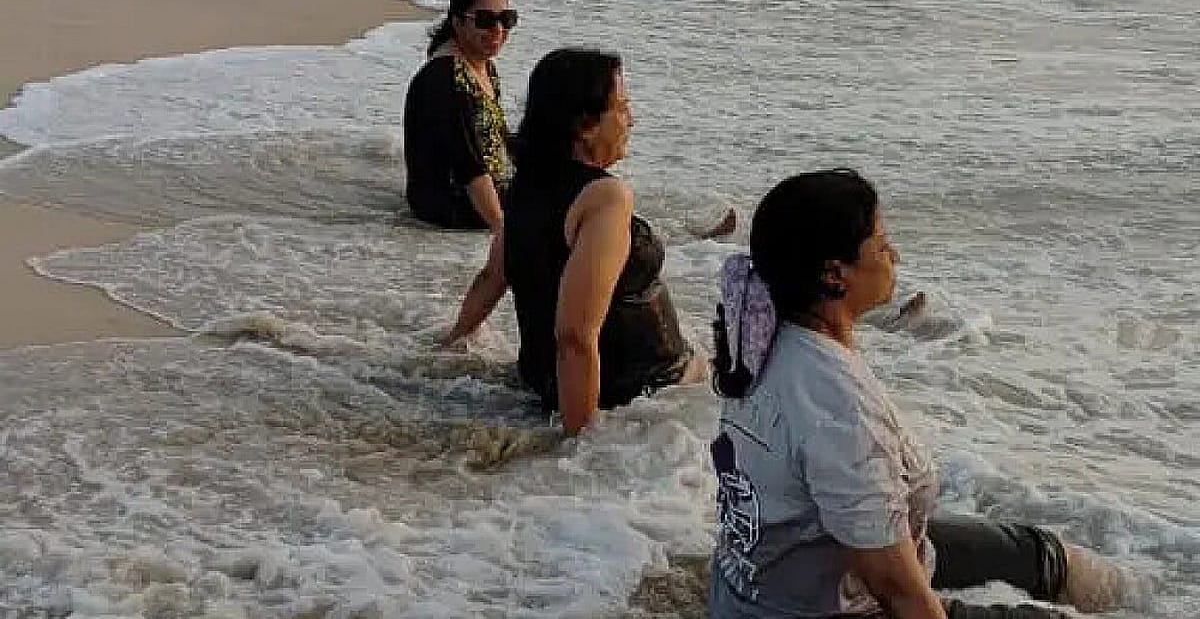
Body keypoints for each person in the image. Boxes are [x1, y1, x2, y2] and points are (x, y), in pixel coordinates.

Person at [708, 169, 1134, 618]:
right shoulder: (836, 405)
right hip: (819, 604)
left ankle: (1149, 592)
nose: (894, 254)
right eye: (881, 243)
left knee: (1040, 555)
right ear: (835, 274)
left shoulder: (758, 339)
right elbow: (896, 590)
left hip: (765, 577)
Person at [445, 48, 706, 434]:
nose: (631, 120)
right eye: (622, 108)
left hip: (544, 380)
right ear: (585, 125)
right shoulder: (605, 197)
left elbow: (492, 277)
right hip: (639, 390)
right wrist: (581, 447)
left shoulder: (524, 187)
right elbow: (575, 334)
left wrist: (452, 343)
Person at [403, 0, 518, 231]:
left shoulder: (483, 67)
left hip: (484, 192)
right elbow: (468, 164)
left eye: (506, 19)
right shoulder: (445, 79)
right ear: (458, 22)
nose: (498, 30)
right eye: (485, 20)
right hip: (453, 205)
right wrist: (502, 230)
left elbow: (498, 138)